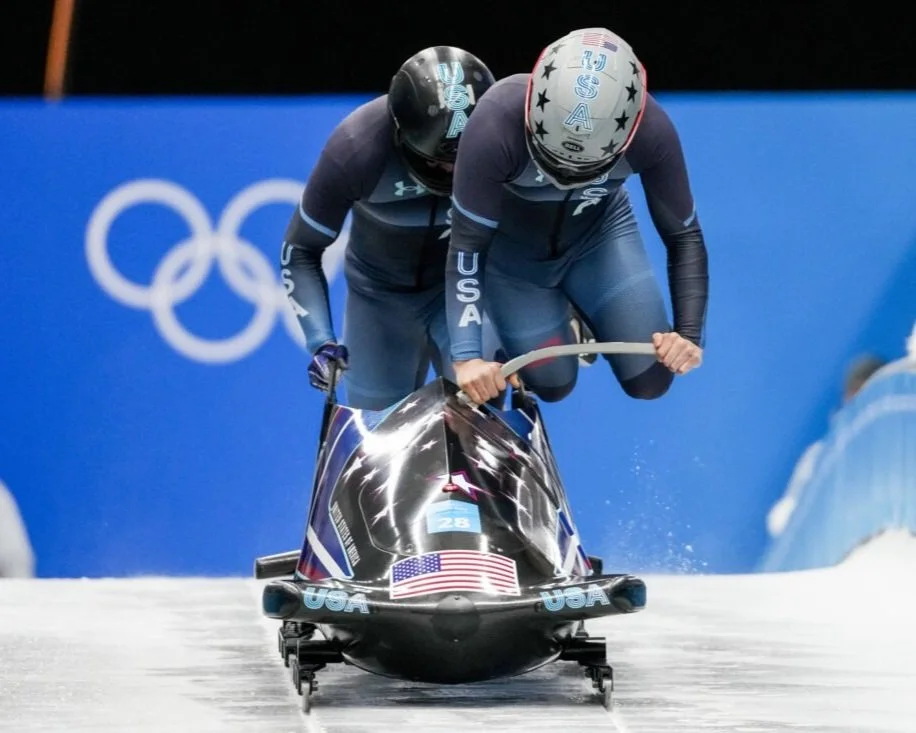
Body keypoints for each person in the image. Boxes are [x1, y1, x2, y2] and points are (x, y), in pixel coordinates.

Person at [443, 27, 710, 405]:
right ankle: (509, 330)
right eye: (550, 158)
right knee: (553, 386)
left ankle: (574, 308)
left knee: (651, 380)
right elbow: (467, 246)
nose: (563, 174)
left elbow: (684, 237)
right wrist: (467, 358)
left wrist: (688, 335)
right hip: (514, 263)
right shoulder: (493, 123)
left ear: (627, 133)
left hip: (599, 239)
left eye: (582, 168)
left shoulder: (653, 132)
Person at [281, 46, 498, 410]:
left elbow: (542, 221)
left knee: (480, 412)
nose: (455, 172)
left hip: (467, 292)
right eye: (440, 160)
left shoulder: (503, 139)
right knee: (379, 440)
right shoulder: (355, 149)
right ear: (400, 134)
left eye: (468, 156)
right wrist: (321, 342)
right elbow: (300, 250)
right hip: (379, 301)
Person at [766, 354, 889, 537]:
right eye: (855, 393)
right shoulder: (821, 454)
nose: (862, 403)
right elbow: (784, 519)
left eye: (869, 392)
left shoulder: (896, 440)